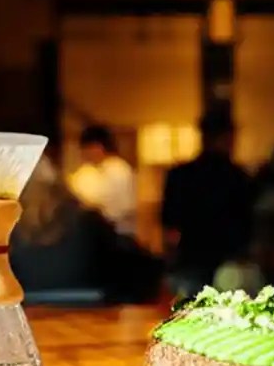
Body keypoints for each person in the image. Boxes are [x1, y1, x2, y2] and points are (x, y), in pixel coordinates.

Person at [13, 155, 161, 303]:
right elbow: (138, 268)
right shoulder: (87, 220)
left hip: (26, 316)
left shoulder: (4, 230)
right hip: (95, 313)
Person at [160, 110, 255, 295]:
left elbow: (169, 227)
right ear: (228, 136)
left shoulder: (180, 175)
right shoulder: (238, 177)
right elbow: (247, 226)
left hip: (190, 258)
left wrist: (170, 259)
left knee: (189, 315)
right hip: (230, 264)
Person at [68, 124, 137, 237]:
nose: (83, 154)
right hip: (99, 232)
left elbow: (93, 199)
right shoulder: (88, 171)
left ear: (98, 147)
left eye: (86, 149)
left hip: (116, 232)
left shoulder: (118, 169)